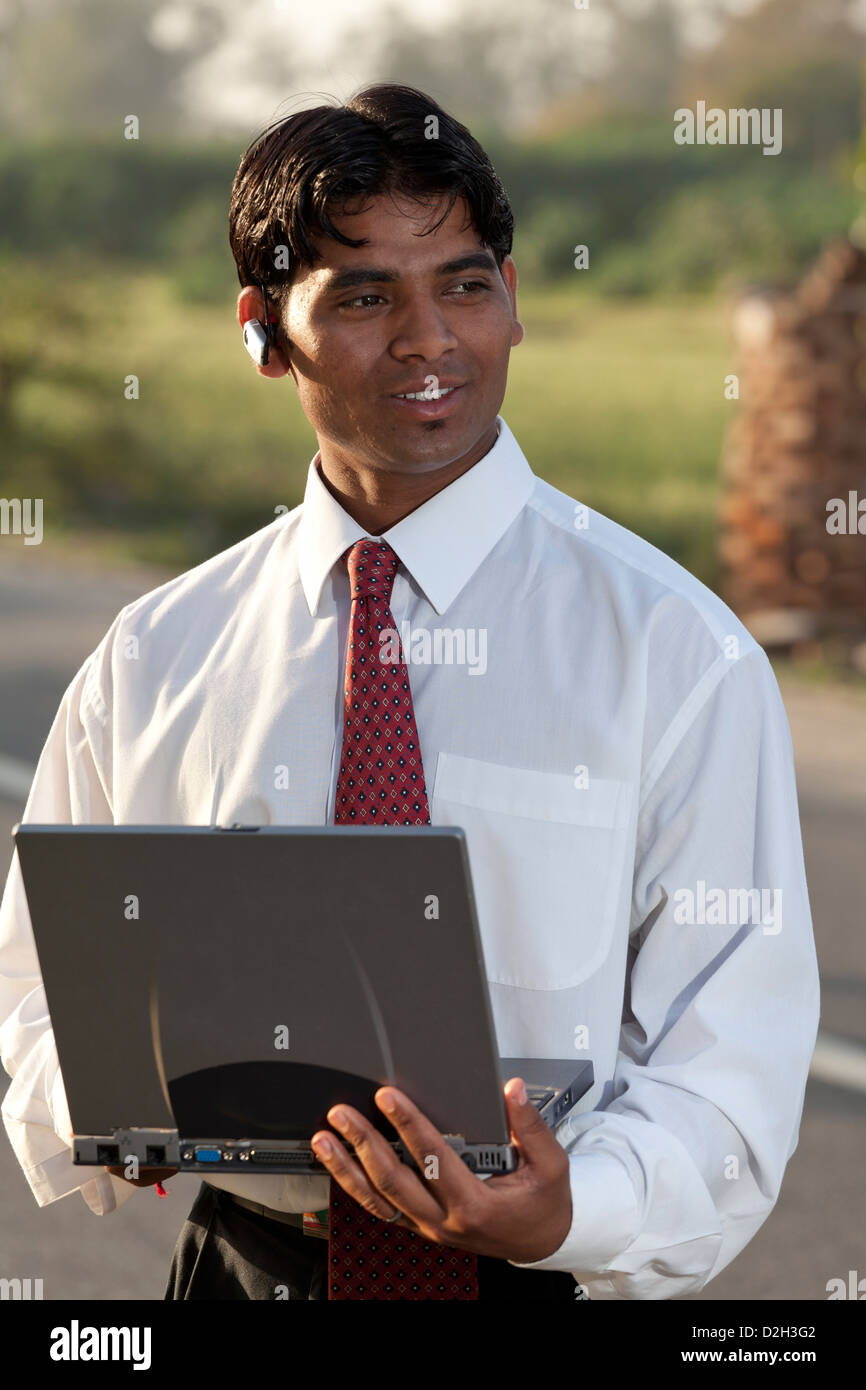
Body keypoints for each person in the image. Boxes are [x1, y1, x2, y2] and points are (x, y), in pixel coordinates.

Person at [0, 83, 819, 1301]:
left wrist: (566, 1209)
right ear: (262, 331)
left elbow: (730, 1065)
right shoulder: (153, 658)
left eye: (466, 283)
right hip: (241, 1272)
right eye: (366, 295)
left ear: (514, 304)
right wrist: (132, 1093)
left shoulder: (674, 654)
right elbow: (35, 1002)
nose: (430, 338)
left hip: (537, 1283)